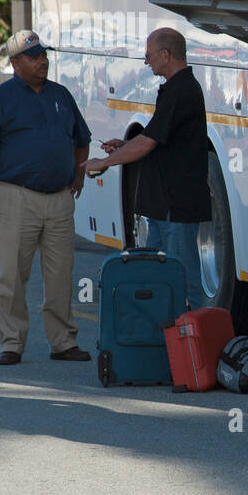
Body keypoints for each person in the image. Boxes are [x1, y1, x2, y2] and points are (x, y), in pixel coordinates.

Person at [0, 29, 92, 366]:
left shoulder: (61, 95)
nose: (43, 61)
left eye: (44, 55)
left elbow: (82, 138)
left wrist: (78, 174)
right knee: (10, 274)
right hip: (16, 196)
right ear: (15, 62)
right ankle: (11, 343)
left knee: (60, 274)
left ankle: (63, 342)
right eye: (34, 56)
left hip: (58, 198)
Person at [83, 28, 210, 311]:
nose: (146, 62)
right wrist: (125, 144)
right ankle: (167, 345)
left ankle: (192, 347)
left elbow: (148, 143)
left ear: (166, 55)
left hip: (175, 208)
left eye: (149, 56)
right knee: (159, 280)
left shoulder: (182, 89)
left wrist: (102, 163)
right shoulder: (173, 89)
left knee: (181, 282)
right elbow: (157, 138)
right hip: (163, 207)